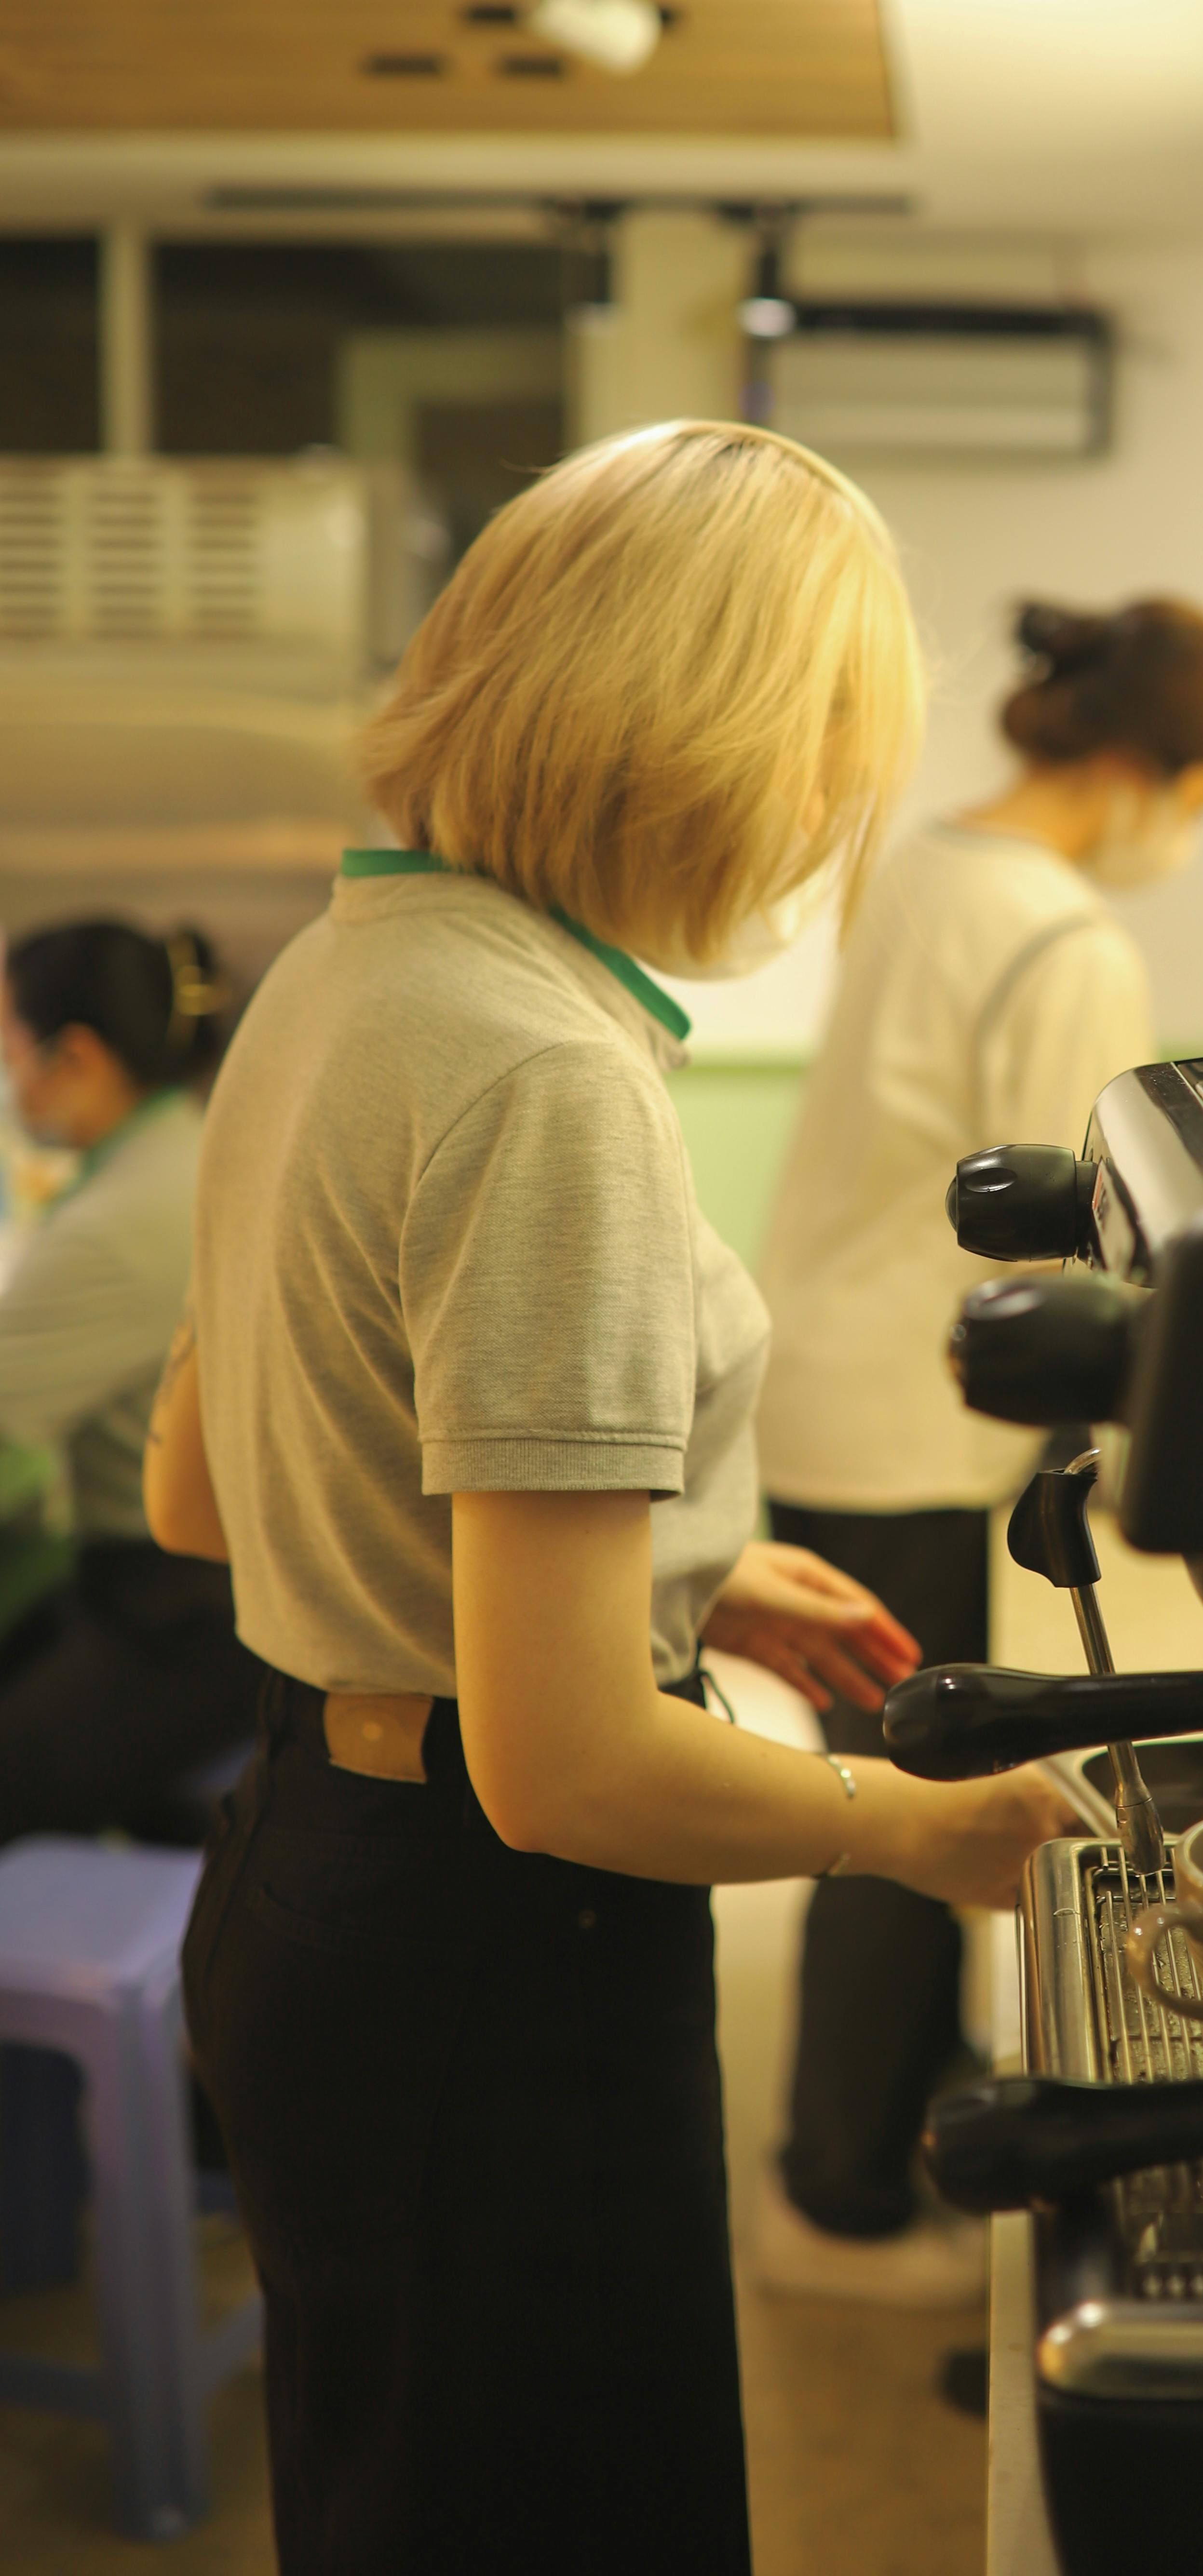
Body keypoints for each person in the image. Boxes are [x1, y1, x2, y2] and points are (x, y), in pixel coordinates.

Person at [144, 422, 1069, 2576]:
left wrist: (690, 1566)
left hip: (302, 1874)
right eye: (831, 749)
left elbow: (221, 1492)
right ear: (718, 742)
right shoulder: (545, 1070)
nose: (830, 813)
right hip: (491, 1951)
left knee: (401, 2505)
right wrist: (913, 1836)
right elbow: (558, 1769)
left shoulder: (346, 969)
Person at [754, 596, 1203, 2298]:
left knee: (889, 1771)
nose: (1189, 832)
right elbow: (1068, 1238)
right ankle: (834, 2199)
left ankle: (880, 2119)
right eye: (1200, 793)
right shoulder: (1063, 939)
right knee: (906, 1807)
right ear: (1140, 768)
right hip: (906, 1408)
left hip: (825, 1370)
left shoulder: (935, 858)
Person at [0, 917, 257, 1841]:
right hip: (212, 1598)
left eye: (12, 1047)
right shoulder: (183, 1154)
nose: (9, 1077)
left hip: (176, 1619)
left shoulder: (118, 1220)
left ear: (74, 1057)